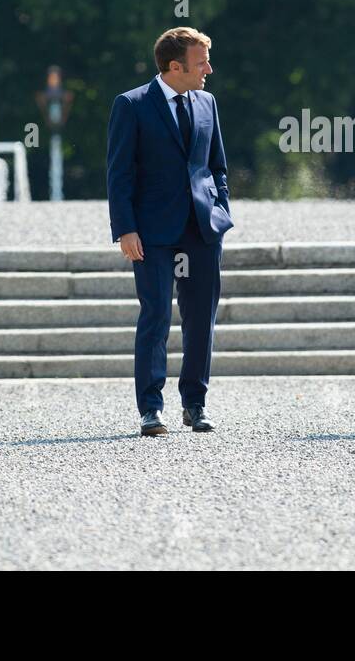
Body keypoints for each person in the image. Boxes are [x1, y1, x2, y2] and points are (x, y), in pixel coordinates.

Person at [106, 27, 233, 436]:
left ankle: (195, 404)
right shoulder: (131, 104)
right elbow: (119, 173)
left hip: (201, 230)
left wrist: (220, 212)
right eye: (201, 63)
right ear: (174, 66)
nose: (208, 70)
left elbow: (217, 167)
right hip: (152, 233)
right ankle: (151, 408)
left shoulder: (208, 103)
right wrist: (125, 228)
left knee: (200, 320)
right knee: (156, 315)